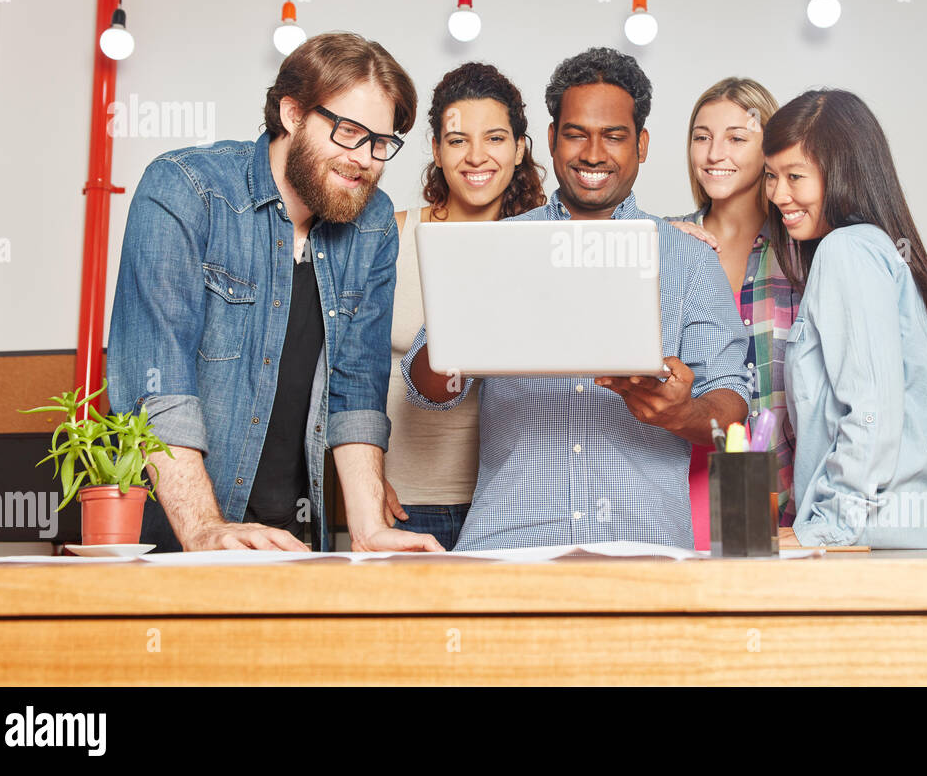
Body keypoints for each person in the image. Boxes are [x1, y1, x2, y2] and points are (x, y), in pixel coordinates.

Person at [402, 47, 751, 551]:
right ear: (550, 139)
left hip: (644, 547)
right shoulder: (494, 247)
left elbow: (731, 402)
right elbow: (426, 388)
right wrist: (467, 337)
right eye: (576, 134)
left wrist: (679, 414)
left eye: (614, 135)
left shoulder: (689, 258)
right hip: (509, 546)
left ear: (642, 144)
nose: (593, 153)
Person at [107, 32, 442, 553]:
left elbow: (356, 389)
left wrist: (370, 529)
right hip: (170, 530)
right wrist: (203, 529)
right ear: (292, 113)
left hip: (287, 534)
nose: (365, 160)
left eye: (381, 143)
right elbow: (158, 379)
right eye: (350, 132)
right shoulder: (184, 190)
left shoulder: (373, 222)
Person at [762, 89, 927, 550]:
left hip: (880, 545)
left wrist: (826, 529)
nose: (779, 195)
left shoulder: (847, 251)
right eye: (771, 176)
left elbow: (871, 416)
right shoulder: (892, 254)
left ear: (842, 172)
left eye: (795, 176)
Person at [385, 62, 546, 550]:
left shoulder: (546, 244)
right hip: (403, 504)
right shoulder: (390, 235)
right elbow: (336, 368)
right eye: (457, 141)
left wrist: (677, 232)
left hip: (510, 505)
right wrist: (362, 477)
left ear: (520, 149)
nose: (476, 156)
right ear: (435, 150)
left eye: (495, 138)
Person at [667, 78, 801, 550]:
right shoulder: (667, 245)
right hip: (685, 491)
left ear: (770, 150)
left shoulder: (802, 257)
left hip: (789, 495)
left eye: (736, 138)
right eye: (701, 137)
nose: (713, 153)